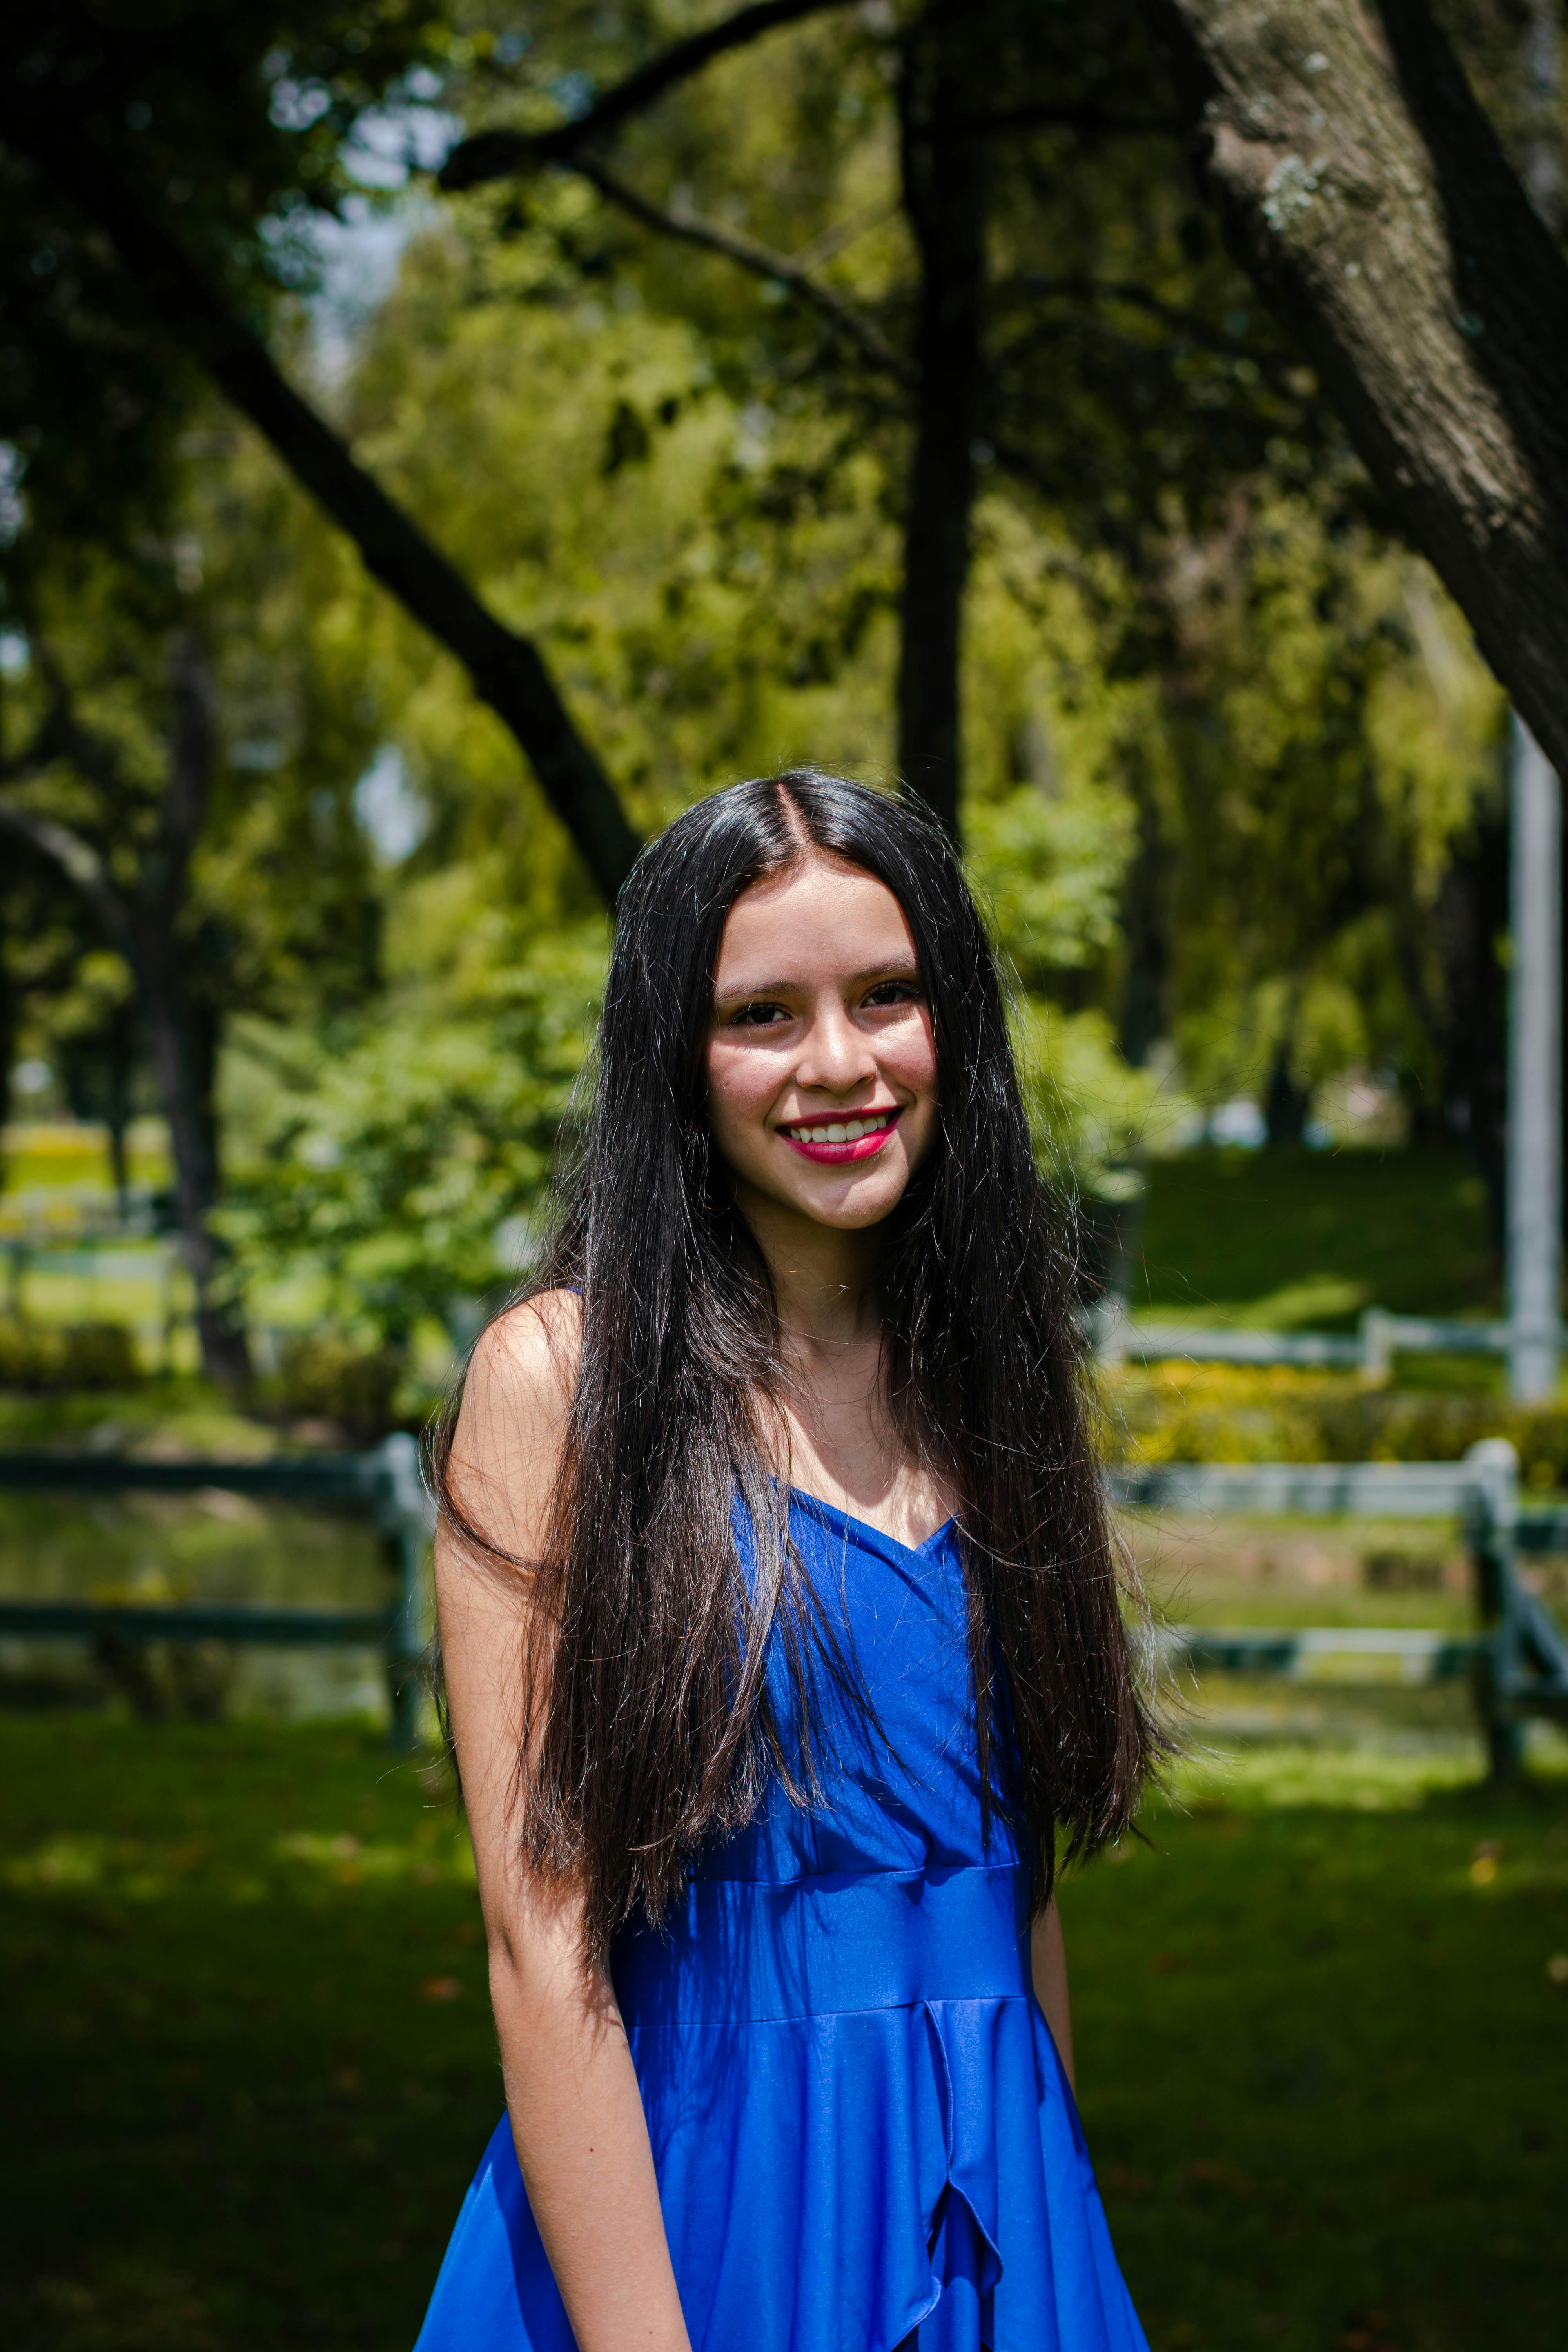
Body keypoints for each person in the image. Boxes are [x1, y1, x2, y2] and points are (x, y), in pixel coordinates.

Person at [415, 771, 1158, 2352]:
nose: (841, 1063)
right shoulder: (562, 1383)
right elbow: (541, 1954)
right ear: (677, 1062)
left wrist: (1064, 2252)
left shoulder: (997, 1383)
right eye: (764, 1013)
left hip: (1010, 2210)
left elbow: (1019, 1908)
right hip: (703, 2200)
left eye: (887, 996)